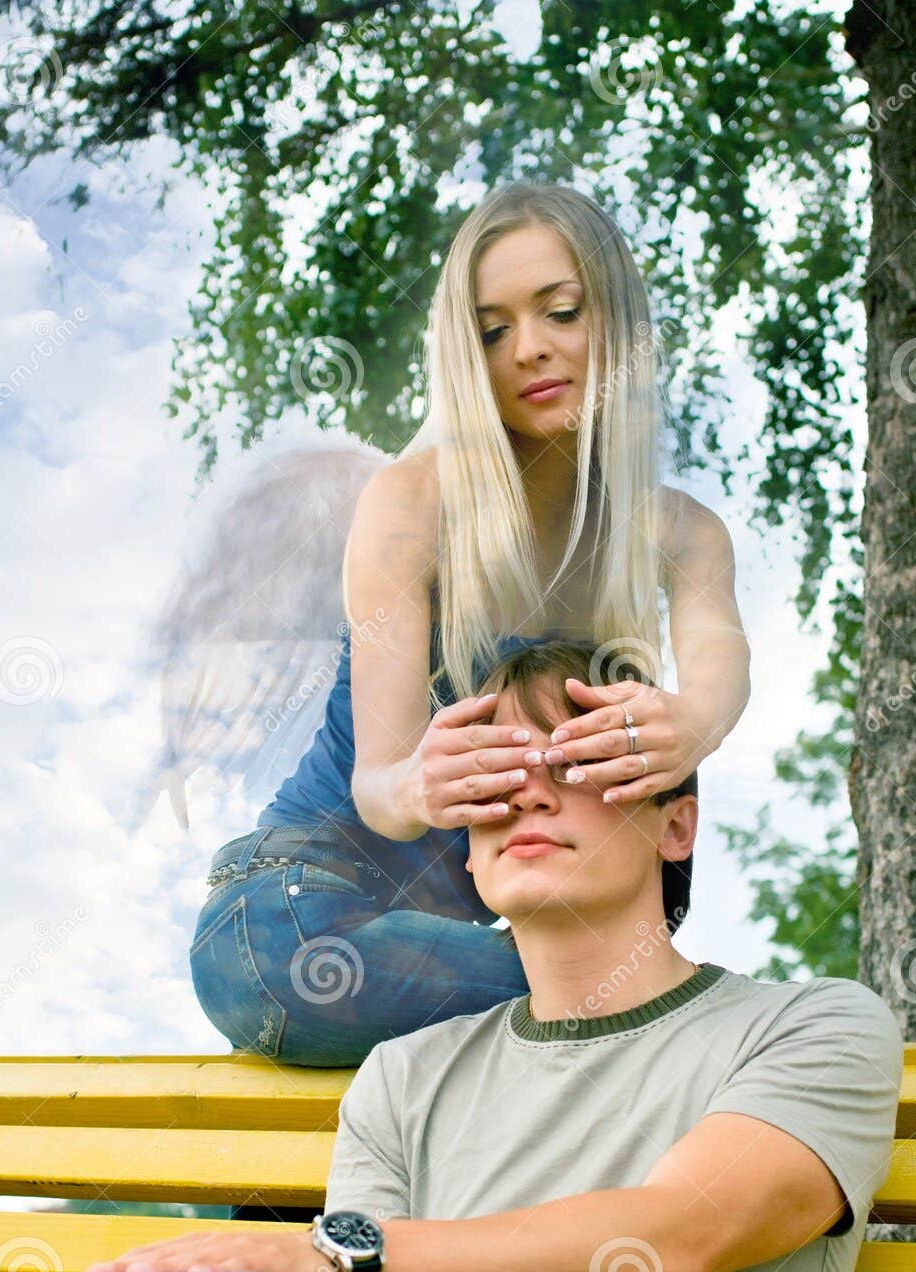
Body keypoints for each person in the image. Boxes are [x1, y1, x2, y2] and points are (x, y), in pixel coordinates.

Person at [58, 639, 903, 1272]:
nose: (529, 793)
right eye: (495, 769)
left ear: (677, 825)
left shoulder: (811, 1027)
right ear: (465, 839)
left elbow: (673, 1243)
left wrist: (334, 1257)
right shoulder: (404, 1075)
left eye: (578, 759)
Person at [180, 180, 750, 1072]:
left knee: (608, 998)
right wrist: (417, 787)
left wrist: (696, 722)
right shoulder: (414, 503)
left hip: (445, 945)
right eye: (490, 330)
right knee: (635, 1005)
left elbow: (719, 657)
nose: (529, 348)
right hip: (293, 917)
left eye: (561, 311)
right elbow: (376, 785)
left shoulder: (679, 533)